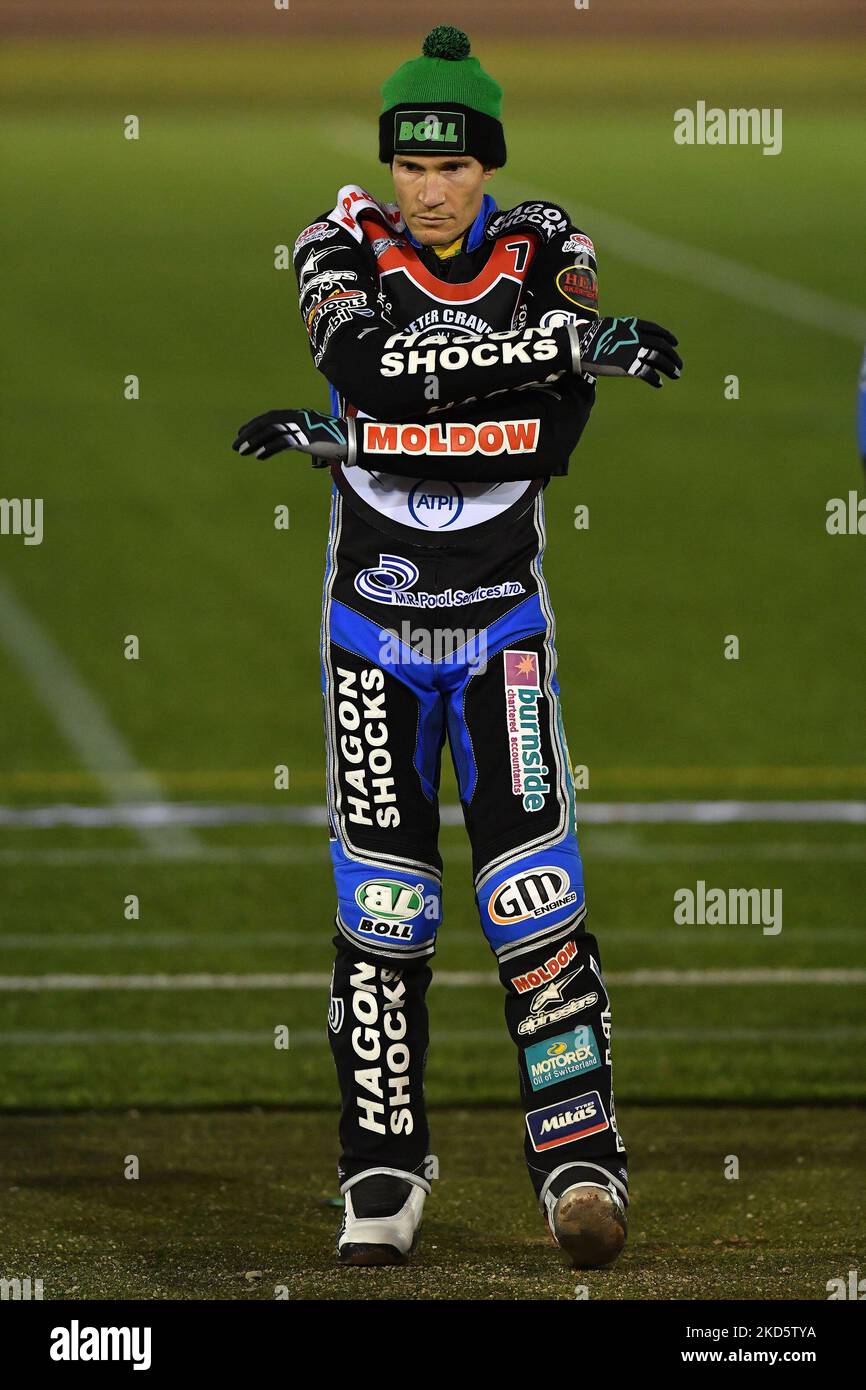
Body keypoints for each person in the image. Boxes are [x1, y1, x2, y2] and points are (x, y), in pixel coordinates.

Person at [233, 25, 681, 1270]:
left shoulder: (550, 242)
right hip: (370, 637)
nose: (426, 188)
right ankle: (379, 1174)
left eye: (450, 164)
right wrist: (539, 355)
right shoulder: (337, 244)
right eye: (407, 163)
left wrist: (387, 430)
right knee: (381, 910)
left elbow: (549, 436)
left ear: (485, 164)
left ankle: (578, 1158)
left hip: (502, 640)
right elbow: (366, 364)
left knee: (535, 894)